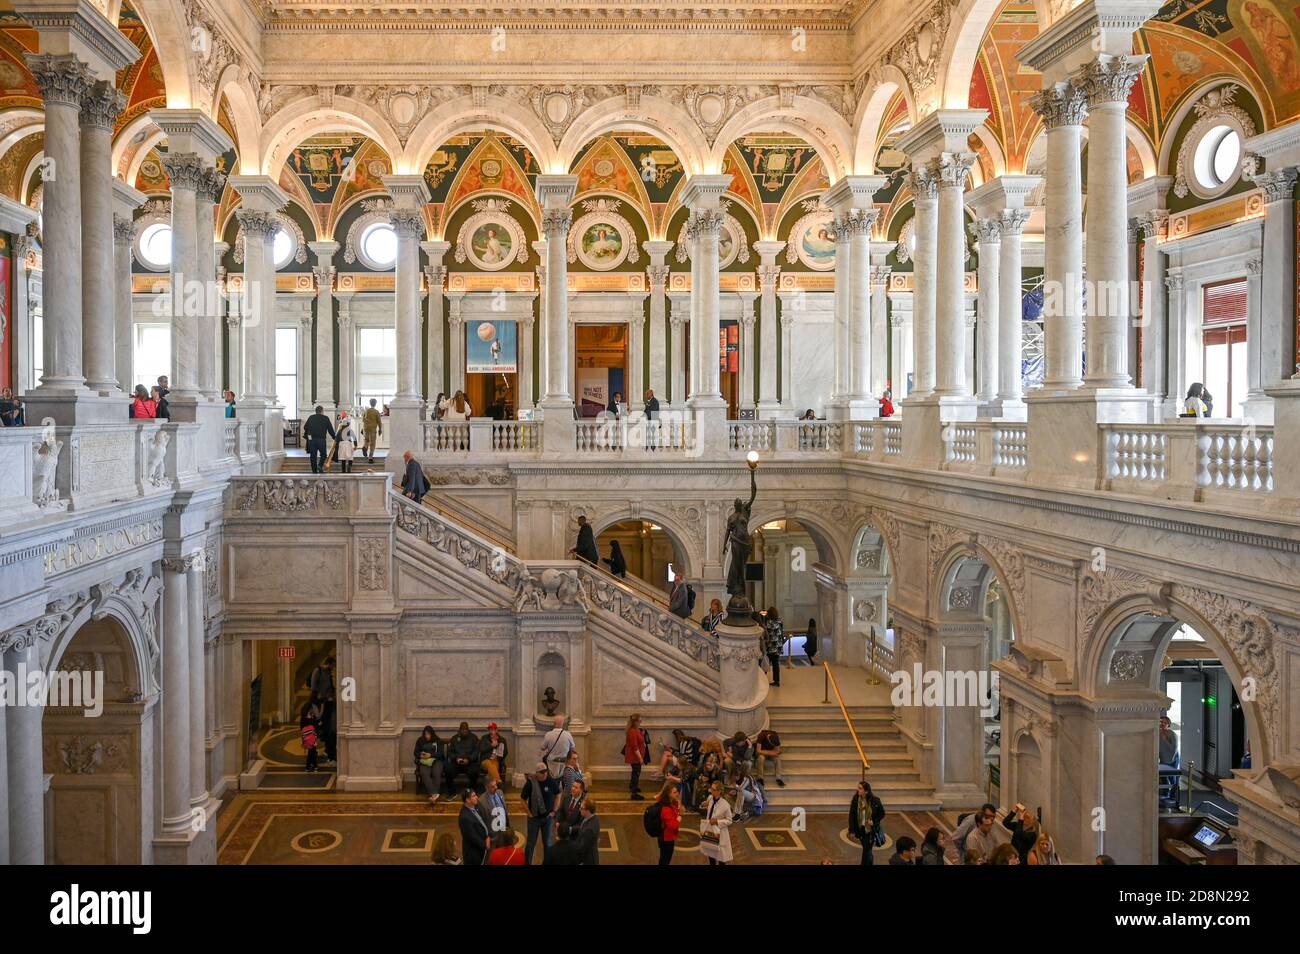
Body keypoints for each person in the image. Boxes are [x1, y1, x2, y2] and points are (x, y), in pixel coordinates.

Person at [520, 762, 561, 864]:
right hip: (534, 819)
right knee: (530, 844)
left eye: (546, 771)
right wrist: (529, 814)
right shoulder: (530, 783)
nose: (544, 774)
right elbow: (522, 799)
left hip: (547, 819)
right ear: (536, 773)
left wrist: (554, 810)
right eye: (542, 772)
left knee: (547, 843)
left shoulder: (550, 781)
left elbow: (558, 794)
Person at [848, 780, 885, 865]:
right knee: (867, 850)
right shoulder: (856, 799)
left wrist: (874, 822)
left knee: (866, 850)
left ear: (866, 791)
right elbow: (852, 815)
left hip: (871, 830)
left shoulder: (875, 801)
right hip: (861, 830)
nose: (858, 790)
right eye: (858, 787)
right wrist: (852, 830)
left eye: (860, 788)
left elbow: (882, 813)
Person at [699, 780, 734, 865]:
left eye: (713, 789)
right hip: (710, 830)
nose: (711, 790)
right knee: (711, 854)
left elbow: (729, 820)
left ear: (719, 792)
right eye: (711, 788)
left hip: (720, 833)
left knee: (721, 857)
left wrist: (717, 821)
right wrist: (703, 805)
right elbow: (708, 809)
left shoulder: (725, 805)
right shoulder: (710, 798)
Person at [458, 788, 490, 866]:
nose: (477, 797)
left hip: (483, 844)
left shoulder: (476, 806)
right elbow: (473, 837)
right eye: (473, 796)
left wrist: (487, 836)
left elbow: (483, 820)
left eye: (476, 795)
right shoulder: (464, 818)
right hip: (474, 852)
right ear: (467, 800)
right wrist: (485, 845)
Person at [539, 714, 576, 781]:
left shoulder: (548, 734)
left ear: (554, 723)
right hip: (564, 762)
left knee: (552, 780)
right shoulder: (568, 734)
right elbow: (573, 748)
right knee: (565, 780)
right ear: (563, 724)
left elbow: (542, 748)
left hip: (552, 763)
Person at [445, 721, 481, 789]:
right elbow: (450, 752)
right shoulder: (454, 738)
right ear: (460, 730)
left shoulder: (473, 738)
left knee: (474, 771)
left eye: (465, 729)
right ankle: (452, 792)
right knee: (448, 770)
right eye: (462, 729)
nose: (464, 731)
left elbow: (476, 751)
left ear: (468, 729)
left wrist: (469, 759)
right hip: (456, 762)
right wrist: (456, 758)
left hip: (470, 763)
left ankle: (471, 791)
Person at [302, 404, 336, 473]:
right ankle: (319, 465)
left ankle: (314, 471)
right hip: (321, 439)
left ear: (316, 411)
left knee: (313, 456)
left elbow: (305, 427)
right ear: (322, 411)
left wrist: (309, 436)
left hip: (311, 440)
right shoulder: (325, 418)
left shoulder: (311, 417)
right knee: (323, 454)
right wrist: (334, 438)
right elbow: (330, 429)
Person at [652, 782, 680, 865]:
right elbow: (673, 826)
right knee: (665, 859)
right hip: (666, 838)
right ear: (669, 794)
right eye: (674, 792)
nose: (677, 794)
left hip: (665, 835)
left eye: (677, 791)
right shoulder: (665, 809)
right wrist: (679, 817)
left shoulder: (671, 802)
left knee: (664, 858)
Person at [414, 725, 443, 802]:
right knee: (424, 773)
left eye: (428, 734)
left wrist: (431, 755)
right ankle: (434, 794)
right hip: (424, 761)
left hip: (436, 760)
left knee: (436, 772)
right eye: (425, 734)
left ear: (432, 734)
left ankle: (434, 795)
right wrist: (421, 755)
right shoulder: (420, 740)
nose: (427, 736)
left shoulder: (438, 740)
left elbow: (441, 753)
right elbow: (416, 752)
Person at [624, 713, 648, 800]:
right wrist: (640, 758)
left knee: (635, 772)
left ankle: (633, 786)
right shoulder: (632, 731)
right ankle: (634, 793)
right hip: (635, 757)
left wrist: (642, 733)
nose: (641, 721)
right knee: (636, 773)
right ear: (635, 722)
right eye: (640, 720)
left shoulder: (636, 730)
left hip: (637, 756)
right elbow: (635, 747)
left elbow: (640, 741)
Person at [1159, 714, 1180, 805]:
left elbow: (1173, 749)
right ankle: (1165, 793)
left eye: (1164, 722)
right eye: (1161, 722)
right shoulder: (1157, 733)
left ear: (1168, 724)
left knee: (1172, 777)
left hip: (1173, 758)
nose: (1162, 724)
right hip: (1163, 759)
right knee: (1163, 777)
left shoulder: (1172, 734)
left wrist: (1165, 740)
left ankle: (1173, 795)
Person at [763, 606, 785, 687]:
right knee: (776, 664)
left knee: (765, 663)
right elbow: (782, 632)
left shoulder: (768, 622)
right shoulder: (780, 621)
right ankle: (777, 681)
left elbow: (766, 633)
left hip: (770, 645)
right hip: (778, 645)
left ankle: (763, 679)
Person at [300, 699, 322, 772]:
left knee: (312, 751)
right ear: (309, 709)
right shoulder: (311, 718)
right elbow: (315, 727)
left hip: (307, 738)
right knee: (311, 752)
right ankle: (309, 766)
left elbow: (302, 729)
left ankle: (313, 766)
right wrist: (318, 724)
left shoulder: (303, 719)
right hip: (311, 738)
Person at [577, 798, 600, 865]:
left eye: (581, 808)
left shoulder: (589, 830)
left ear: (588, 811)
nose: (579, 809)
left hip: (588, 860)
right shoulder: (595, 818)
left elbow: (583, 848)